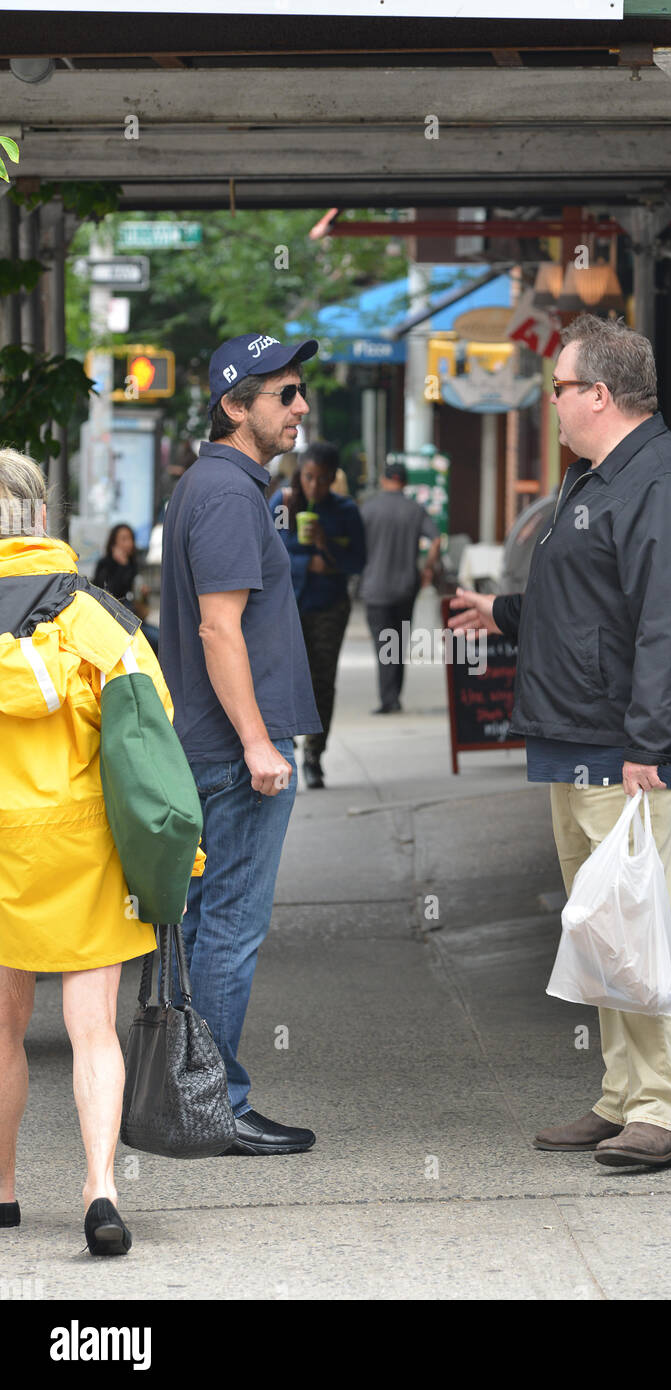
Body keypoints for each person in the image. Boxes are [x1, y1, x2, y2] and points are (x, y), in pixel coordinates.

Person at [450, 314, 671, 1171]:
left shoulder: (664, 487)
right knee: (601, 926)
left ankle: (659, 1111)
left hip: (626, 752)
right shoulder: (597, 478)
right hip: (580, 741)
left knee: (631, 926)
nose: (553, 404)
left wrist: (645, 742)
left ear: (599, 395)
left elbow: (667, 626)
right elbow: (588, 613)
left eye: (560, 389)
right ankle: (620, 1096)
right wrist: (499, 613)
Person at [0, 448, 204, 1254]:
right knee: (93, 1031)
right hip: (82, 854)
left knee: (4, 1032)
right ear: (44, 520)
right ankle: (100, 1190)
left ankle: (5, 1191)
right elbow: (151, 760)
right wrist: (174, 868)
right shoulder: (100, 620)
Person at [159, 332, 322, 1157]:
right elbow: (217, 627)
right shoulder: (226, 493)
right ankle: (215, 1104)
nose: (299, 407)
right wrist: (260, 745)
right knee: (226, 925)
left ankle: (181, 1097)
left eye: (299, 391)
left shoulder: (220, 486)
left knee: (199, 928)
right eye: (282, 394)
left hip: (214, 747)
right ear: (234, 406)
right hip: (231, 753)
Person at [270, 441, 365, 789]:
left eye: (323, 480)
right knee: (285, 677)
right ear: (300, 473)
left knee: (322, 682)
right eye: (309, 477)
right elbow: (268, 551)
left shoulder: (345, 511)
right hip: (286, 606)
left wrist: (327, 546)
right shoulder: (282, 504)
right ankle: (284, 744)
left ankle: (314, 754)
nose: (315, 487)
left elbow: (358, 560)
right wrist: (305, 563)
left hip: (328, 607)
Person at [359, 462, 441, 714]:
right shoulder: (415, 509)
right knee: (399, 642)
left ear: (384, 480)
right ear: (404, 483)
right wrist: (427, 567)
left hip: (374, 587)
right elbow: (436, 539)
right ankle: (394, 696)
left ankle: (388, 699)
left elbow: (354, 544)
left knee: (382, 645)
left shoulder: (368, 509)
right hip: (406, 586)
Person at [94, 522, 160, 655]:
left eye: (130, 539)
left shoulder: (132, 564)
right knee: (155, 640)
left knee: (159, 637)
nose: (128, 543)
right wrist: (122, 566)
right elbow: (109, 593)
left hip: (133, 618)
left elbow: (136, 597)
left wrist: (143, 593)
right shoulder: (105, 565)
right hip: (115, 622)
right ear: (114, 543)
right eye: (124, 539)